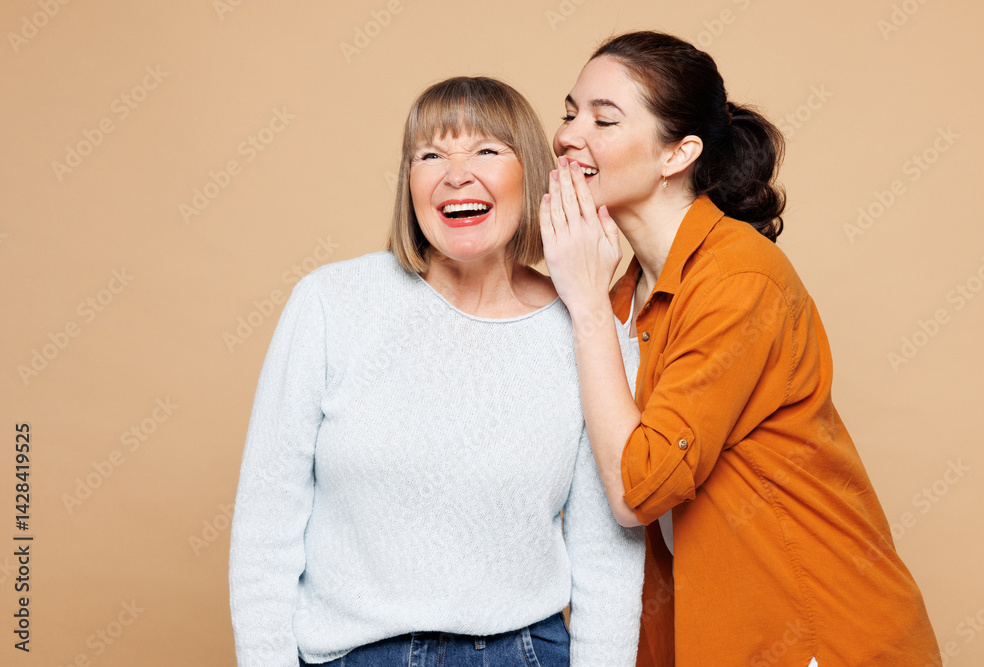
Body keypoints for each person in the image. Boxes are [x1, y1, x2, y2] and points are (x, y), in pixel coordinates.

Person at [539, 30, 941, 666]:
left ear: (678, 154)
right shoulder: (620, 295)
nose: (568, 135)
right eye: (569, 113)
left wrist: (584, 304)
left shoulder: (738, 279)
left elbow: (638, 489)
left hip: (819, 640)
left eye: (603, 118)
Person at [228, 76, 645, 667]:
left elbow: (607, 551)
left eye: (485, 150)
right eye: (431, 155)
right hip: (352, 655)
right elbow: (266, 524)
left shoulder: (588, 327)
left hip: (524, 653)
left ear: (531, 171)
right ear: (410, 183)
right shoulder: (330, 304)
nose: (456, 174)